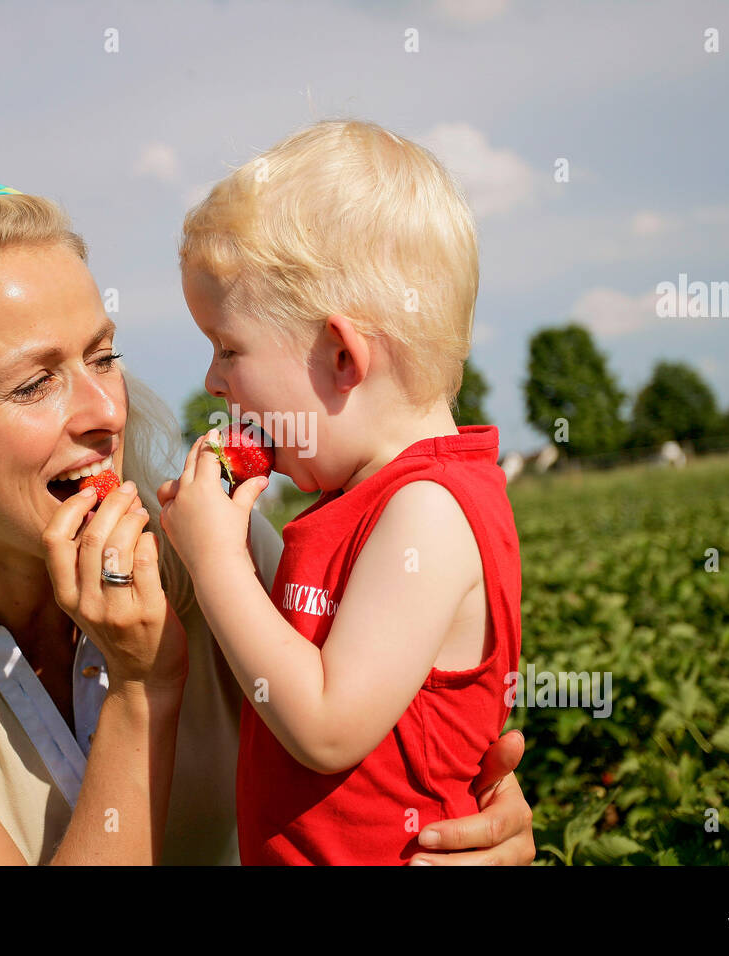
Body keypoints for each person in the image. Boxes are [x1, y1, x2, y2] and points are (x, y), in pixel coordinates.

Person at [0, 179, 535, 865]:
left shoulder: (219, 555)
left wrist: (480, 828)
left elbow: (367, 751)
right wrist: (144, 691)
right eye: (34, 384)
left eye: (102, 357)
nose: (105, 411)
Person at [161, 119, 520, 864]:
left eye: (229, 347)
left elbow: (326, 727)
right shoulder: (363, 502)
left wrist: (216, 563)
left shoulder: (428, 510)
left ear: (341, 355)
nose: (212, 381)